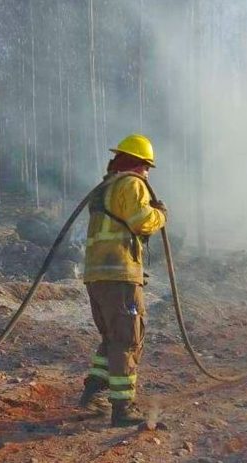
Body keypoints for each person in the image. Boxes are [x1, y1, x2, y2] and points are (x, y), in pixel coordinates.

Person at [79, 134, 167, 427]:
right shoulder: (131, 184)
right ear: (139, 163)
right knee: (128, 339)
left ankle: (93, 390)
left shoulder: (105, 188)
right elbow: (142, 220)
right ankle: (122, 408)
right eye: (147, 166)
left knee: (112, 337)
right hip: (119, 274)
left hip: (97, 275)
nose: (148, 173)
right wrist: (160, 215)